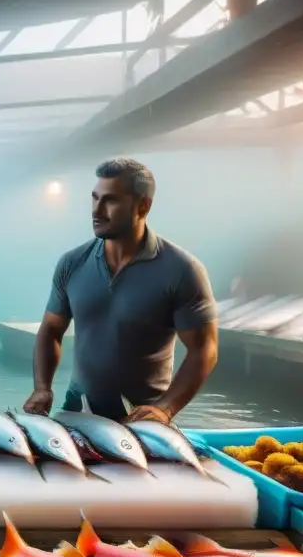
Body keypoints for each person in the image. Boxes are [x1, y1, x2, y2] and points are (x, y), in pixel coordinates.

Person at [22, 158, 218, 424]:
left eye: (110, 201)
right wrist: (42, 387)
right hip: (76, 413)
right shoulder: (72, 263)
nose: (97, 211)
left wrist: (165, 408)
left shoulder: (182, 270)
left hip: (143, 421)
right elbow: (51, 330)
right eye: (95, 199)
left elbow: (204, 349)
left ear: (143, 206)